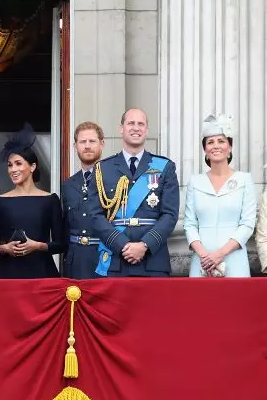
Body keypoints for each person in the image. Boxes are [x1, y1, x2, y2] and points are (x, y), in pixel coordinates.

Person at [88, 108, 179, 277]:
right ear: (121, 128)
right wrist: (123, 245)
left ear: (146, 129)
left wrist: (144, 245)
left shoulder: (164, 167)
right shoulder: (103, 169)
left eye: (140, 124)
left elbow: (170, 215)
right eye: (131, 123)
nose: (136, 128)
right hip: (116, 259)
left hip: (153, 260)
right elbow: (95, 215)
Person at [0, 124, 66, 279]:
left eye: (18, 163)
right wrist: (5, 248)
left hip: (42, 273)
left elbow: (61, 244)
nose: (12, 169)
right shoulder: (0, 201)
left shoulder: (50, 200)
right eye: (10, 165)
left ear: (32, 167)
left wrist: (37, 246)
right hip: (9, 275)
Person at [184, 115, 256, 278]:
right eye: (210, 142)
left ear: (230, 147)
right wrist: (204, 255)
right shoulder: (195, 182)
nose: (216, 146)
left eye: (221, 141)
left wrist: (220, 254)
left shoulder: (244, 180)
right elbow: (189, 224)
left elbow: (247, 224)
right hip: (202, 261)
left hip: (234, 259)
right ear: (205, 150)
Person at [61, 121, 105, 279]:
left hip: (105, 259)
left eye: (92, 141)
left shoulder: (114, 180)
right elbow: (65, 227)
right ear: (75, 146)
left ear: (102, 144)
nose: (87, 146)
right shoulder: (68, 185)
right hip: (76, 262)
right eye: (82, 142)